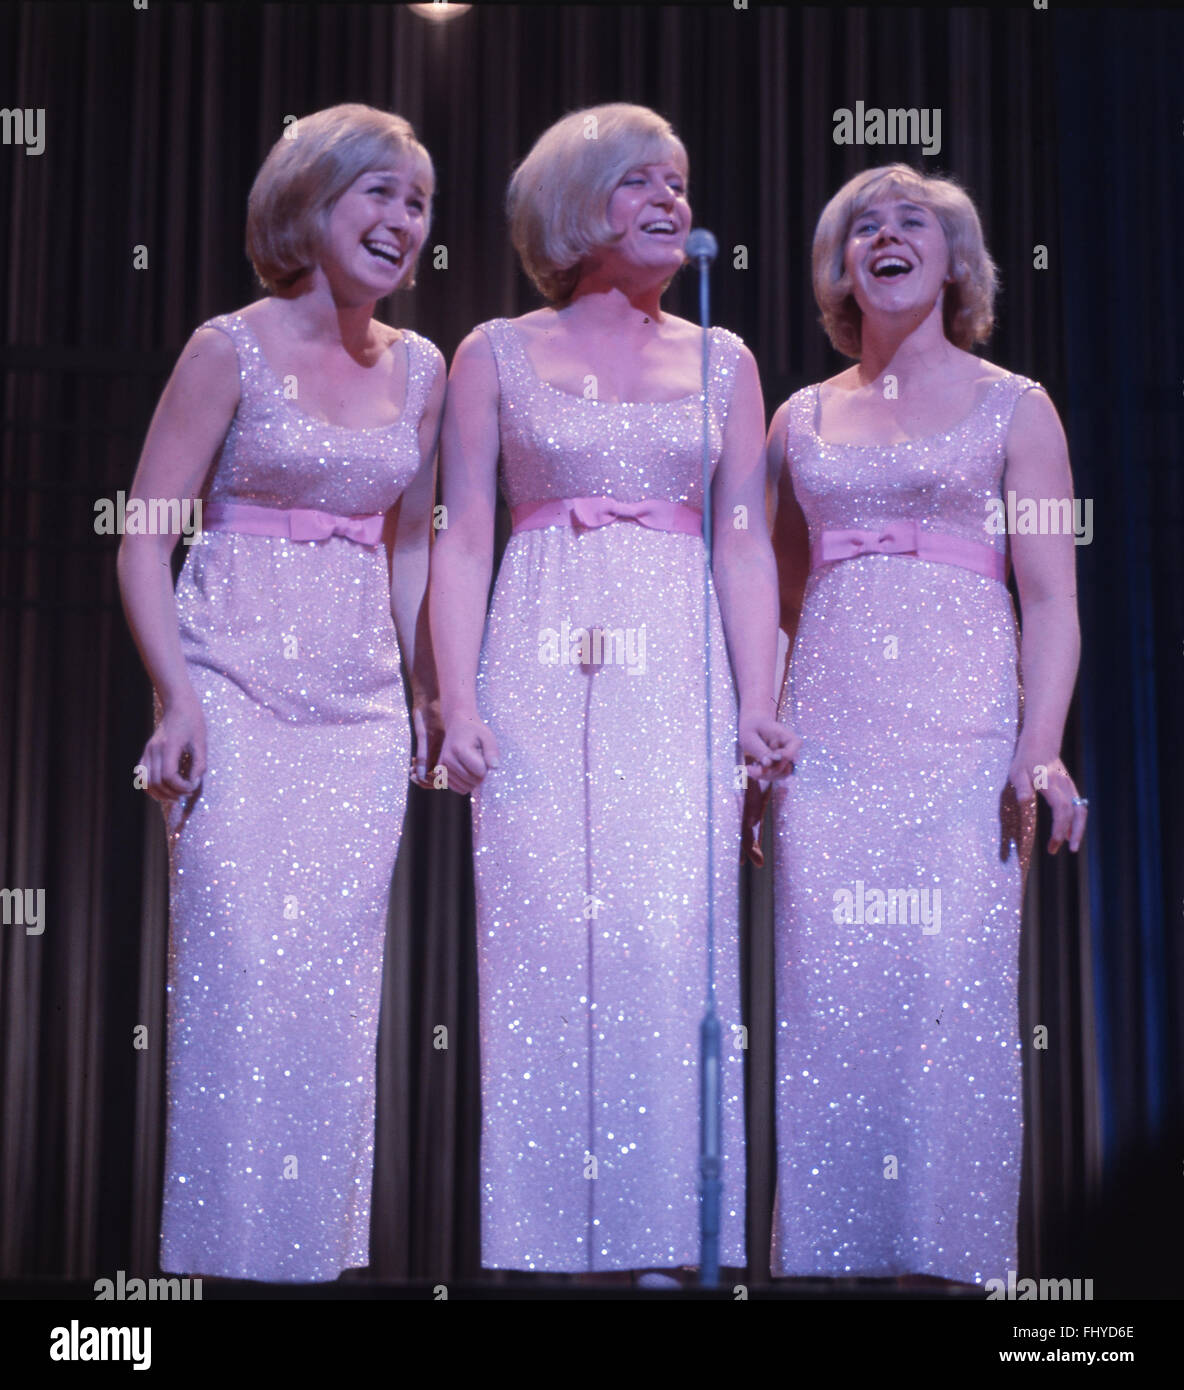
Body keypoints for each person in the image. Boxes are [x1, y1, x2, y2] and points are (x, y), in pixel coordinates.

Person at [430, 103, 794, 1280]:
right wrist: (454, 698)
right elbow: (459, 534)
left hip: (675, 663)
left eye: (678, 183)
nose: (669, 200)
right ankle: (547, 1246)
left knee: (666, 944)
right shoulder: (490, 351)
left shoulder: (724, 357)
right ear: (577, 202)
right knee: (541, 944)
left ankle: (665, 1245)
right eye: (640, 179)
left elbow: (743, 544)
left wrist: (753, 697)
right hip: (535, 654)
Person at [117, 104, 444, 1282]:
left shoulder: (422, 367)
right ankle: (219, 1261)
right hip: (236, 690)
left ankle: (310, 1264)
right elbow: (142, 536)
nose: (403, 222)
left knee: (329, 999)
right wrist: (177, 697)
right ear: (307, 203)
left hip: (357, 718)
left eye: (416, 205)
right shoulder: (228, 347)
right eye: (379, 195)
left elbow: (411, 543)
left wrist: (428, 689)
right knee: (240, 978)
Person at [759, 163, 1086, 1287]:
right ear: (839, 267)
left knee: (949, 1018)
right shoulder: (797, 416)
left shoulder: (1018, 406)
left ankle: (948, 1271)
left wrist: (1035, 745)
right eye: (862, 227)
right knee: (831, 1017)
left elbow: (1048, 598)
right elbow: (774, 601)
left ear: (956, 264)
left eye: (911, 223)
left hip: (961, 751)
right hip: (833, 754)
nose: (884, 236)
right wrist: (763, 736)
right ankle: (827, 1267)